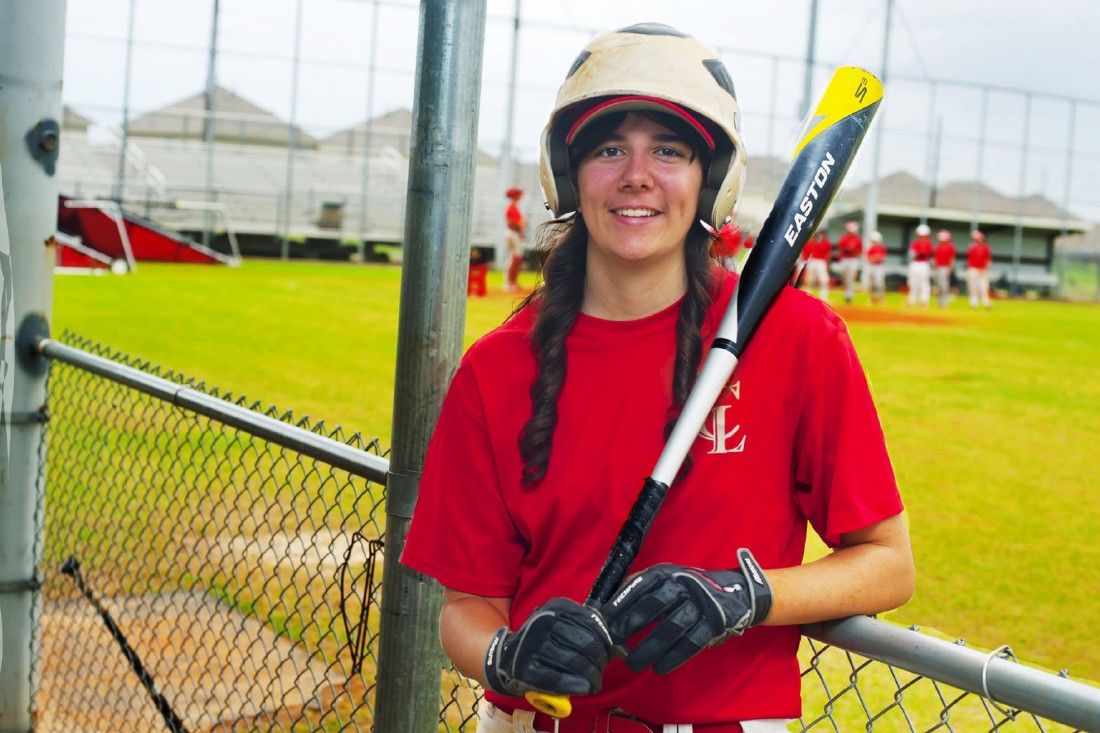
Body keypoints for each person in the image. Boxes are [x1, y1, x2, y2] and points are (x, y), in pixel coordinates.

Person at [401, 23, 913, 733]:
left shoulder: (795, 339)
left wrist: (744, 594)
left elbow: (887, 565)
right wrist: (506, 654)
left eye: (668, 150)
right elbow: (465, 606)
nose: (636, 174)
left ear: (710, 179)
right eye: (609, 148)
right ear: (569, 172)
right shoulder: (498, 369)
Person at [504, 187, 527, 292]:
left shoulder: (513, 207)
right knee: (516, 259)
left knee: (514, 258)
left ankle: (511, 282)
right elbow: (513, 223)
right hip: (513, 234)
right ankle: (510, 283)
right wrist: (521, 225)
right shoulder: (512, 208)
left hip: (513, 234)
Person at [836, 220, 863, 304]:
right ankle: (846, 293)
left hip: (853, 260)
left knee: (850, 278)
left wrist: (852, 251)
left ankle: (849, 296)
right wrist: (846, 250)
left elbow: (859, 251)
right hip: (845, 259)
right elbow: (840, 249)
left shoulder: (857, 239)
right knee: (843, 277)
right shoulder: (844, 238)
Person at [907, 224, 933, 307]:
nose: (922, 237)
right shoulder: (914, 243)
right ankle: (911, 300)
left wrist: (919, 253)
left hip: (924, 264)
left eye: (924, 235)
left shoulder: (928, 244)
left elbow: (925, 254)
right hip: (915, 264)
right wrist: (918, 253)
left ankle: (923, 301)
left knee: (924, 283)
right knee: (913, 283)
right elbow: (912, 254)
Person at [967, 229, 993, 308]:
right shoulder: (971, 247)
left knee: (984, 287)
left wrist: (985, 268)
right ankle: (974, 304)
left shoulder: (986, 247)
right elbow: (970, 260)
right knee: (973, 287)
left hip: (982, 270)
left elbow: (988, 260)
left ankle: (987, 303)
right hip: (973, 269)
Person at [805, 229, 832, 301]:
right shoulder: (812, 242)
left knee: (824, 280)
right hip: (813, 261)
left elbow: (828, 254)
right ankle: (808, 295)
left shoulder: (826, 242)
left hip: (821, 261)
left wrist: (828, 264)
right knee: (810, 279)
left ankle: (824, 296)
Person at [933, 229, 956, 308]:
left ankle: (945, 303)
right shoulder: (938, 246)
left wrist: (950, 269)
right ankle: (940, 303)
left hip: (945, 268)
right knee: (939, 287)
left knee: (944, 287)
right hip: (938, 268)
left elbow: (951, 259)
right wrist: (934, 268)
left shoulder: (950, 247)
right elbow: (935, 259)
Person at [865, 230, 888, 304]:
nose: (874, 242)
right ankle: (873, 298)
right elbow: (868, 259)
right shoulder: (871, 248)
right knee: (872, 284)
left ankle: (881, 298)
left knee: (879, 283)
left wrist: (874, 258)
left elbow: (881, 258)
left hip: (879, 267)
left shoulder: (882, 248)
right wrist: (875, 258)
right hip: (871, 267)